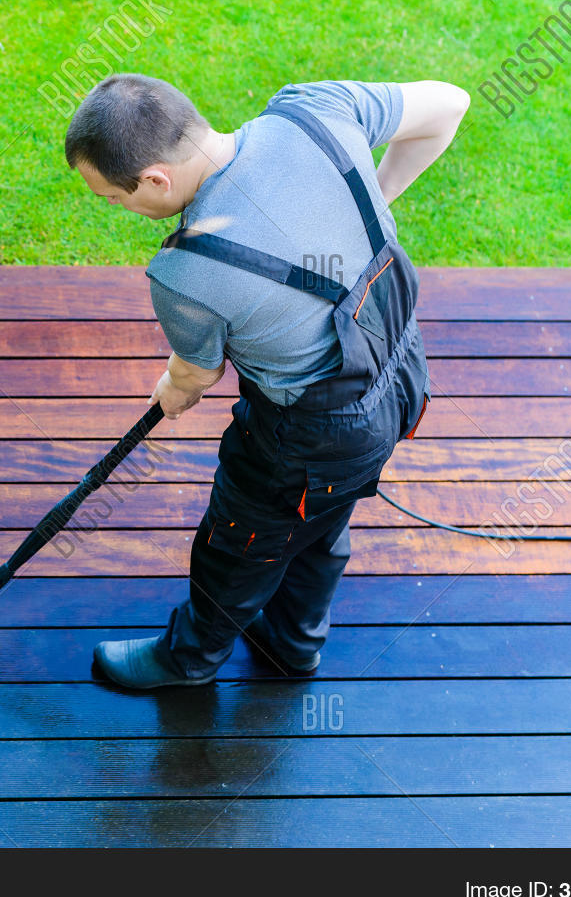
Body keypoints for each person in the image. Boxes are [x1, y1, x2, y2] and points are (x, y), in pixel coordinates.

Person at [67, 73, 469, 688]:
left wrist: (171, 389)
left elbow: (196, 374)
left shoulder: (186, 270)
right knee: (320, 524)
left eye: (113, 198)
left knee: (241, 542)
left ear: (154, 179)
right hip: (399, 372)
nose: (119, 209)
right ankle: (293, 644)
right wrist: (376, 202)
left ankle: (189, 661)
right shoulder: (314, 110)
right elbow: (450, 104)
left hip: (308, 437)